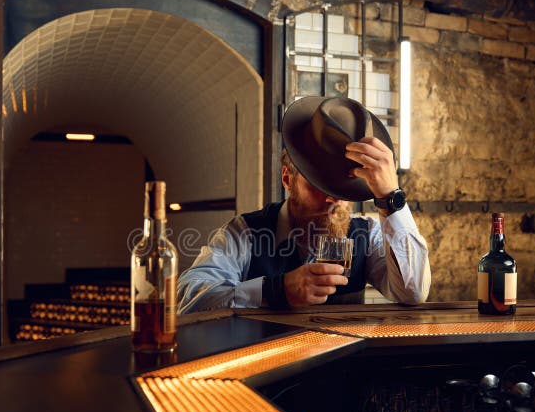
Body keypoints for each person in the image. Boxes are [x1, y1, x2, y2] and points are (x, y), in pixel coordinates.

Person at [177, 96, 431, 313]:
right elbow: (187, 300)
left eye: (347, 188)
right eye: (321, 184)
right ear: (288, 179)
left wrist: (390, 198)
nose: (336, 198)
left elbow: (413, 293)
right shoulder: (245, 233)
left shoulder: (368, 233)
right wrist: (275, 291)